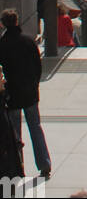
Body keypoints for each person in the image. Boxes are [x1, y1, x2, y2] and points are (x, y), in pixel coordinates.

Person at [0, 9, 51, 179]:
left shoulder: (3, 44)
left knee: (15, 135)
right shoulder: (29, 41)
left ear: (3, 24)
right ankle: (44, 164)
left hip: (12, 95)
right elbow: (38, 68)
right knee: (35, 128)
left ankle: (19, 167)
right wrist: (34, 84)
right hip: (30, 93)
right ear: (17, 21)